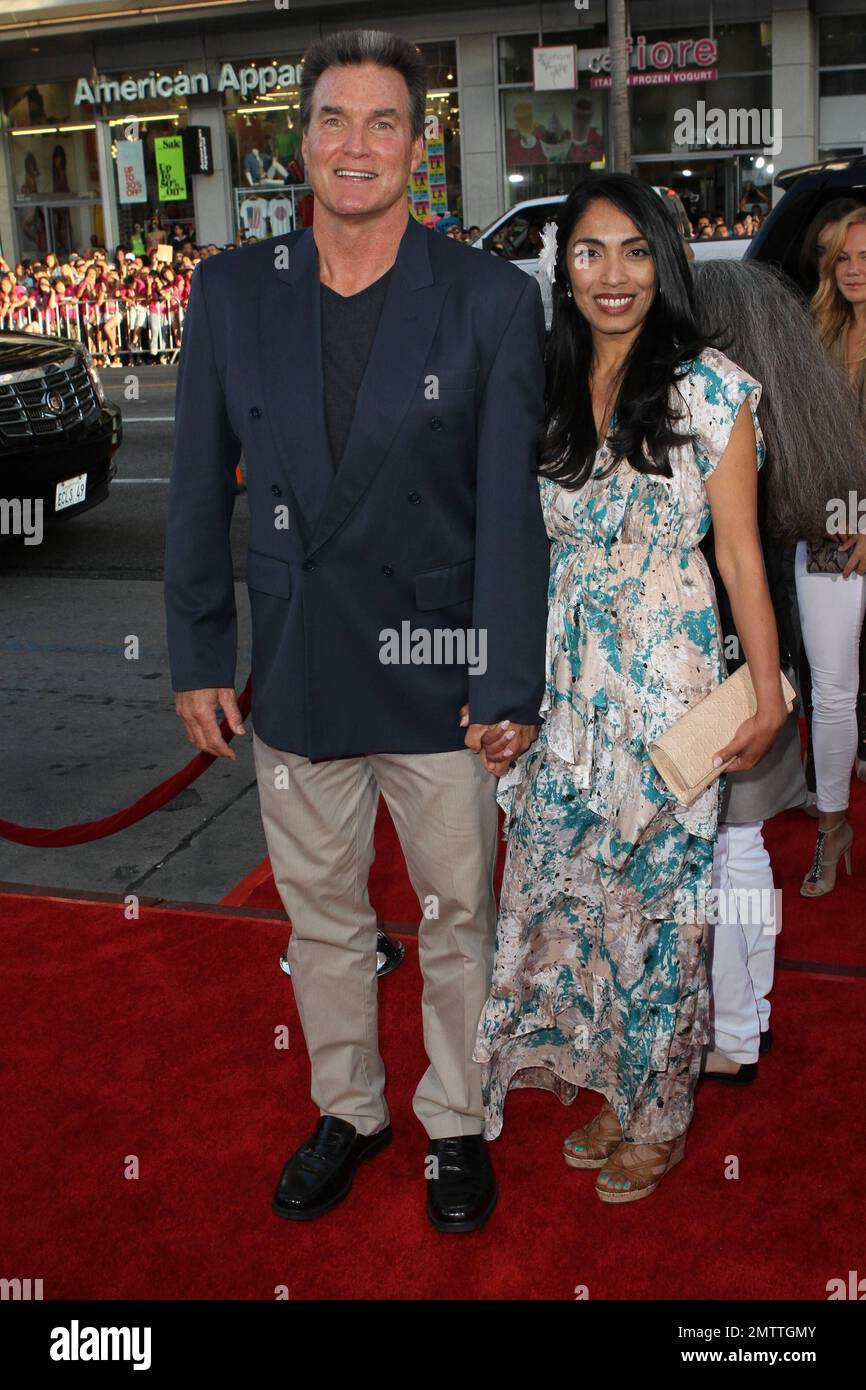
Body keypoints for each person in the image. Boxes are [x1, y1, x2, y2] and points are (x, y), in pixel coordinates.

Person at [164, 28, 549, 1232]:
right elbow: (190, 491)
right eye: (335, 119)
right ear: (300, 140)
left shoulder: (488, 299)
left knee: (455, 921)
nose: (357, 145)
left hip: (439, 680)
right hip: (294, 675)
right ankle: (350, 1108)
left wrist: (505, 680)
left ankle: (452, 1121)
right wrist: (194, 654)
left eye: (384, 123)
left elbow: (508, 516)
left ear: (418, 148)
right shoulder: (230, 293)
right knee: (321, 920)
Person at [472, 173, 789, 1203]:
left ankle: (658, 1114)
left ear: (665, 260)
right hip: (565, 693)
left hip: (668, 687)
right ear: (560, 269)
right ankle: (618, 1082)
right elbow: (511, 544)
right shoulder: (543, 385)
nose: (612, 276)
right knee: (578, 901)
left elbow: (740, 556)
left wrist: (766, 687)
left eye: (634, 252)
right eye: (588, 253)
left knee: (660, 914)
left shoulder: (710, 387)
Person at [691, 261, 864, 1077]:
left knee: (726, 850)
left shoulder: (711, 414)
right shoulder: (788, 417)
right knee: (746, 844)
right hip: (769, 655)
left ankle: (733, 1028)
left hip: (717, 658)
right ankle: (746, 1017)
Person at [796, 207, 866, 894]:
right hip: (827, 534)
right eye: (842, 258)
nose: (851, 270)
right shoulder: (815, 337)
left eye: (865, 256)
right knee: (832, 692)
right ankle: (833, 825)